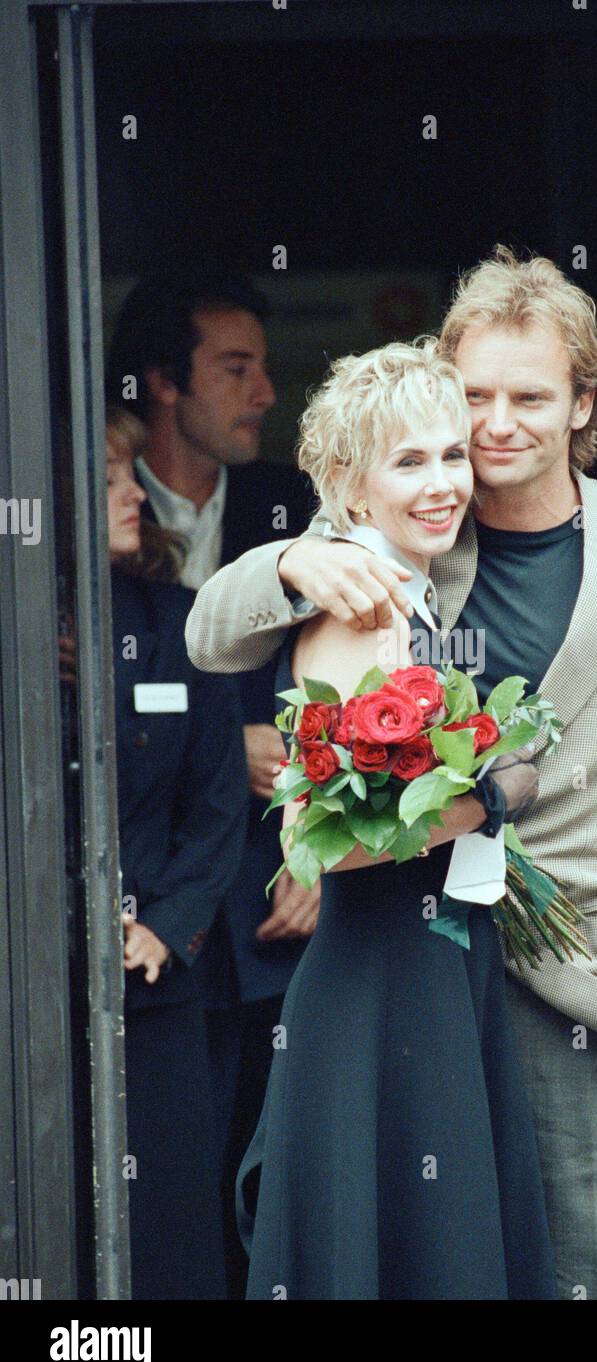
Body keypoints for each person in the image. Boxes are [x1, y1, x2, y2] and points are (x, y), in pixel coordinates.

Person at [187, 247, 597, 1300]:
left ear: (585, 403)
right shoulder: (411, 517)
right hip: (430, 986)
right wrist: (288, 561)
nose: (494, 426)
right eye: (475, 394)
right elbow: (214, 633)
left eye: (530, 396)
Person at [234, 340, 557, 1299]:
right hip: (377, 985)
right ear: (346, 480)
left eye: (452, 455)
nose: (444, 482)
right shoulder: (356, 612)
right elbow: (316, 845)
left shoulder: (403, 596)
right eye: (409, 461)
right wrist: (495, 794)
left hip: (435, 968)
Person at [105, 271, 315, 1295]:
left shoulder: (296, 509)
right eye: (236, 367)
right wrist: (218, 737)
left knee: (276, 1193)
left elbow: (363, 685)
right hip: (165, 913)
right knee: (171, 1203)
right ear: (161, 383)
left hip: (287, 903)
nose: (266, 391)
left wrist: (328, 840)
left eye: (263, 366)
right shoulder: (93, 504)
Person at [101, 406, 248, 1298]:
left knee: (169, 1228)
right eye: (113, 479)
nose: (133, 493)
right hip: (39, 983)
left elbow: (219, 804)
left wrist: (165, 925)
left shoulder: (181, 621)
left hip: (160, 975)